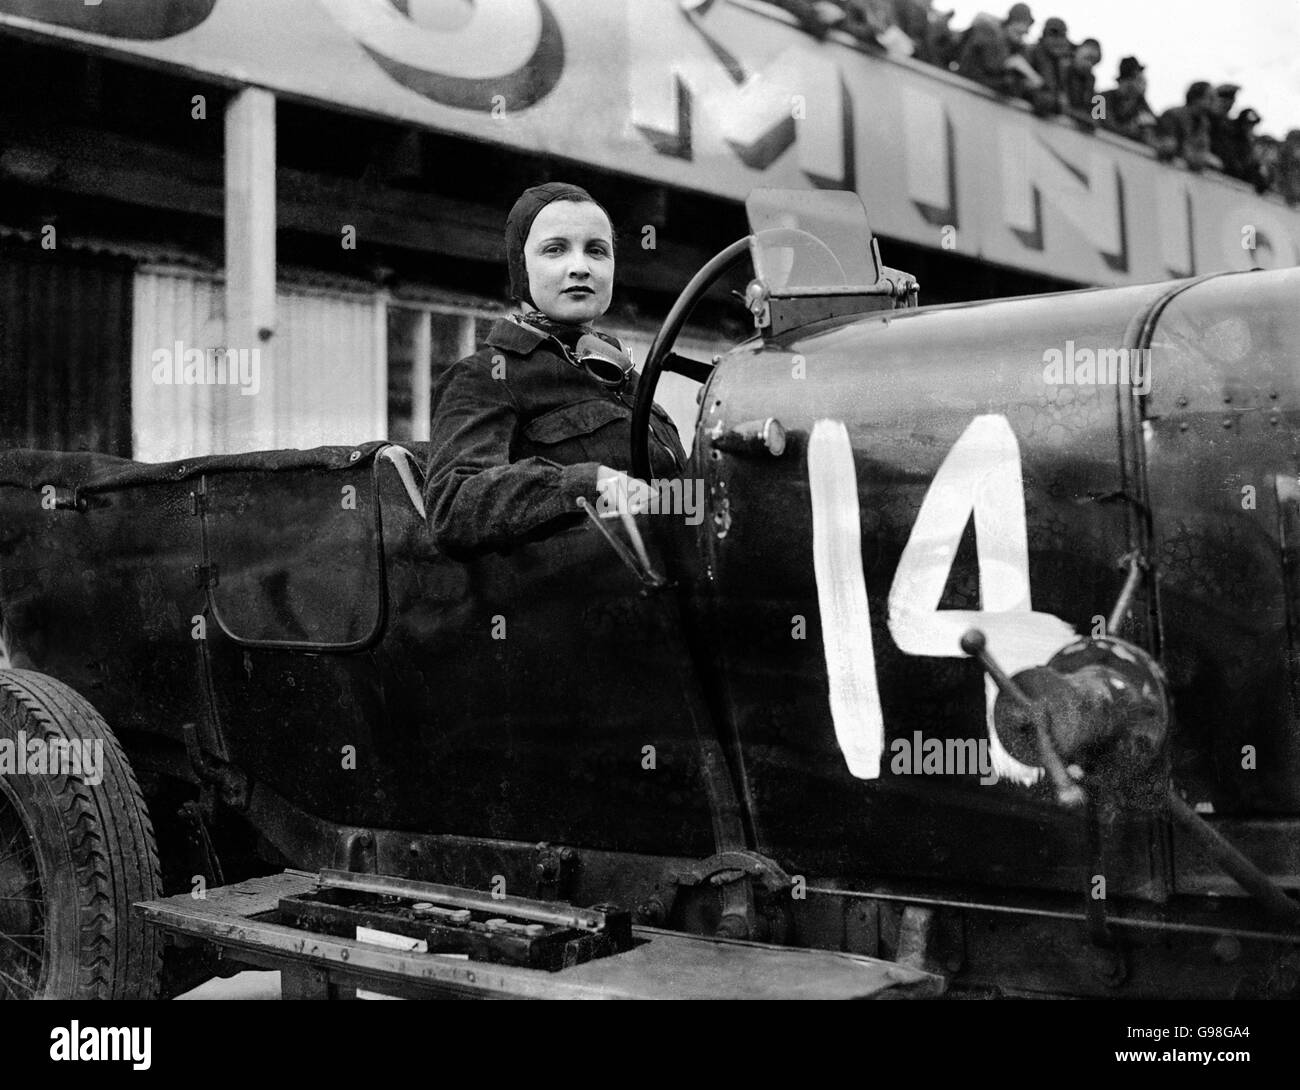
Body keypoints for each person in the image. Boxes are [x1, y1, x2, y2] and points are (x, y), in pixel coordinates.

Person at [423, 183, 687, 555]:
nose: (580, 267)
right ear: (520, 265)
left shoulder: (620, 374)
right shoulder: (486, 376)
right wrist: (588, 485)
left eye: (596, 251)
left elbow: (678, 499)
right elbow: (453, 506)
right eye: (555, 249)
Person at [955, 4, 1042, 99]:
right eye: (1018, 32)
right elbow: (991, 67)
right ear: (1010, 23)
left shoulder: (1011, 46)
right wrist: (1013, 64)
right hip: (964, 90)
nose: (1020, 38)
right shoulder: (989, 34)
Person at [1156, 81, 1222, 172]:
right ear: (1197, 98)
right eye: (1210, 98)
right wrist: (1197, 157)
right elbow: (1168, 145)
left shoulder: (1204, 124)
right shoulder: (1173, 115)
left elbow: (1202, 148)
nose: (1215, 102)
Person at [1100, 56, 1157, 145]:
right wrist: (1131, 128)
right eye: (1138, 79)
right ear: (1126, 81)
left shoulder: (1142, 105)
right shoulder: (1100, 99)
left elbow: (1153, 133)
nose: (1143, 84)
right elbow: (1103, 125)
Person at [1026, 16, 1073, 116]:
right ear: (1044, 35)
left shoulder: (1060, 65)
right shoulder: (1032, 51)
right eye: (1053, 35)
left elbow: (1061, 96)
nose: (1057, 41)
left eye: (1061, 36)